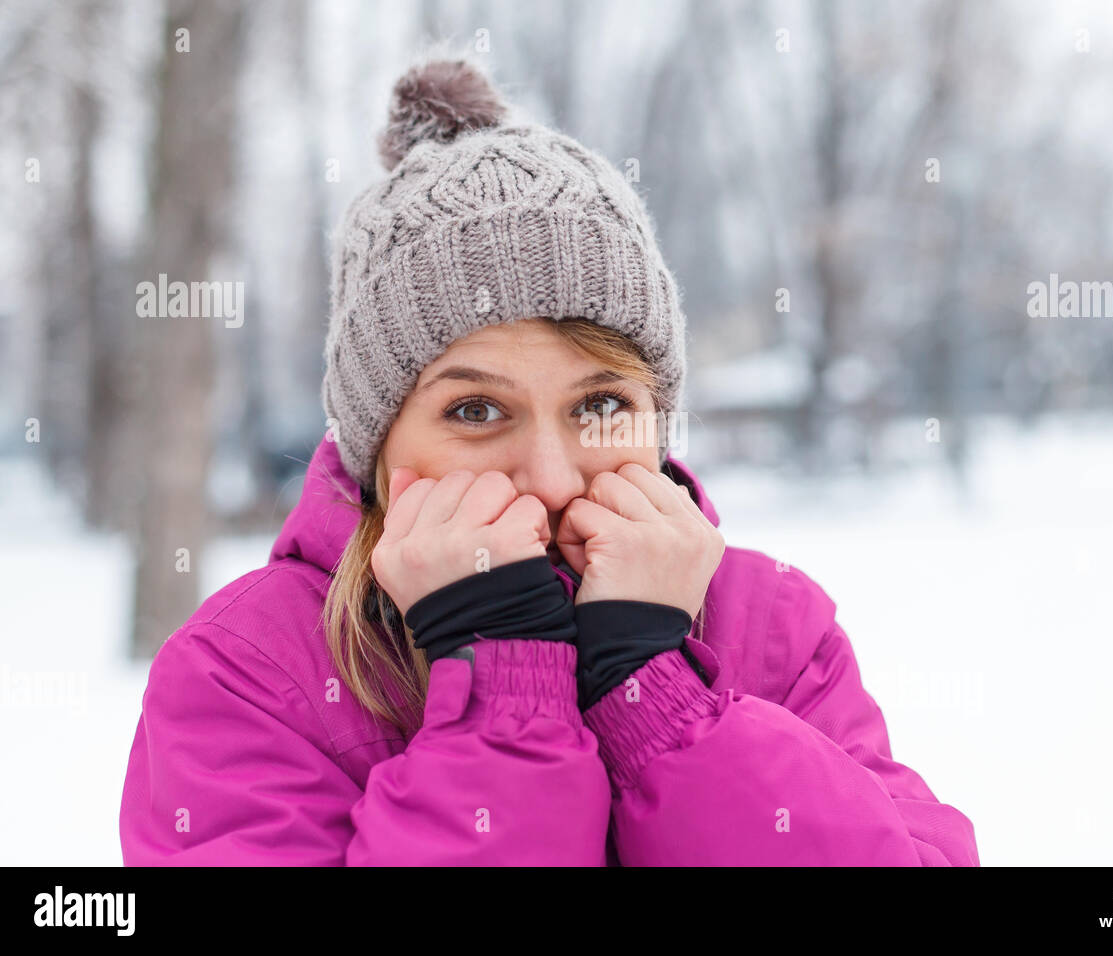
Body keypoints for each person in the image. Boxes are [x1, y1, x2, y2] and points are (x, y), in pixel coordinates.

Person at [118, 55, 979, 866]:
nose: (555, 476)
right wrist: (502, 689)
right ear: (378, 441)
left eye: (600, 406)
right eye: (476, 410)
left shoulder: (773, 628)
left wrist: (660, 697)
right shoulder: (244, 674)